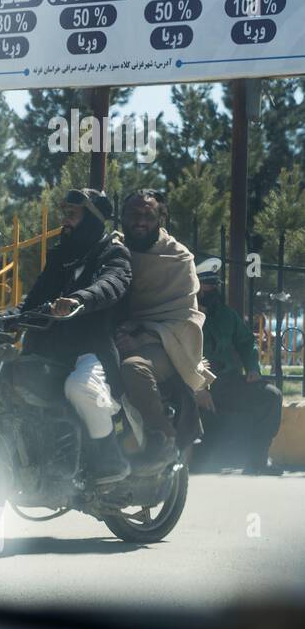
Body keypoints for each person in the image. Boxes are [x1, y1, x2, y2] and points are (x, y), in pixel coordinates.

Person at [19, 188, 133, 484]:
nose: (65, 221)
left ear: (92, 220)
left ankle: (110, 459)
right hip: (52, 352)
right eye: (64, 214)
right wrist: (5, 317)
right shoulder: (62, 257)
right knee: (12, 378)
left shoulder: (113, 253)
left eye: (72, 215)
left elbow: (111, 284)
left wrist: (80, 299)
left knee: (81, 387)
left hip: (91, 352)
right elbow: (33, 300)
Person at [114, 190, 214, 473]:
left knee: (134, 369)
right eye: (133, 214)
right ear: (122, 218)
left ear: (162, 217)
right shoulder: (112, 249)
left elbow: (186, 316)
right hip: (113, 334)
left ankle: (162, 438)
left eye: (148, 215)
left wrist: (146, 336)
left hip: (163, 343)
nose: (140, 221)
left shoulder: (178, 258)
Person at [194, 267, 283, 475]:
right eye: (205, 285)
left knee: (271, 396)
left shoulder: (227, 315)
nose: (211, 289)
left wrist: (252, 367)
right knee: (203, 459)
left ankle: (258, 461)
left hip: (227, 383)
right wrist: (197, 388)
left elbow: (246, 341)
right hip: (194, 386)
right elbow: (178, 352)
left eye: (214, 285)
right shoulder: (184, 316)